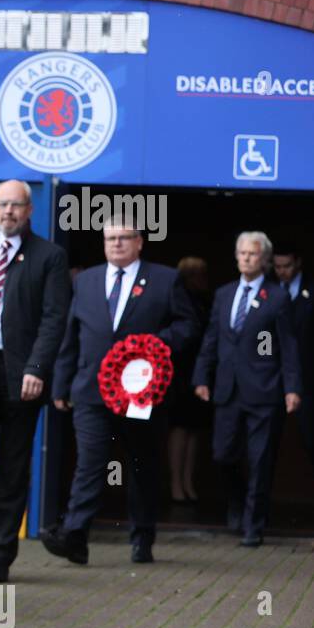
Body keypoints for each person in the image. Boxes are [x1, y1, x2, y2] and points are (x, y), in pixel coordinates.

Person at [46, 218, 199, 564]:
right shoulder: (85, 280)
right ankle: (76, 535)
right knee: (89, 463)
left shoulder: (164, 279)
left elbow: (189, 324)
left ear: (139, 242)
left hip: (141, 393)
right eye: (110, 238)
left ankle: (142, 537)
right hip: (90, 390)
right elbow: (72, 335)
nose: (116, 244)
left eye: (123, 238)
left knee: (142, 465)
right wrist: (61, 383)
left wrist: (154, 345)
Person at [0, 180, 71, 583]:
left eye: (16, 205)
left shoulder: (50, 256)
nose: (9, 212)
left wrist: (37, 368)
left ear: (29, 210)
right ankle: (0, 527)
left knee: (13, 465)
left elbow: (55, 318)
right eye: (2, 204)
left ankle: (0, 552)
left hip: (21, 374)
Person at [192, 232, 301, 547]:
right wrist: (202, 376)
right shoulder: (224, 294)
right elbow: (212, 337)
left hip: (265, 391)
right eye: (241, 253)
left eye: (252, 254)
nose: (246, 259)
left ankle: (254, 525)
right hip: (227, 389)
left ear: (264, 259)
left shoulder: (277, 297)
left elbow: (287, 345)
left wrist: (292, 387)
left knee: (260, 459)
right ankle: (238, 503)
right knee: (223, 454)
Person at [166, 256, 213, 504]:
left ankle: (187, 481)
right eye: (198, 275)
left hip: (200, 369)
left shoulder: (205, 301)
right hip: (180, 370)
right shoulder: (178, 299)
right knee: (180, 427)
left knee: (195, 428)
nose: (203, 280)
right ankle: (176, 483)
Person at [271, 243, 314, 480]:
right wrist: (265, 356)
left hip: (308, 378)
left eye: (286, 266)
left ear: (297, 263)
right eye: (277, 266)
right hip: (272, 377)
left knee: (311, 439)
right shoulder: (267, 292)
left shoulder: (311, 293)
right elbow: (263, 334)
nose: (282, 272)